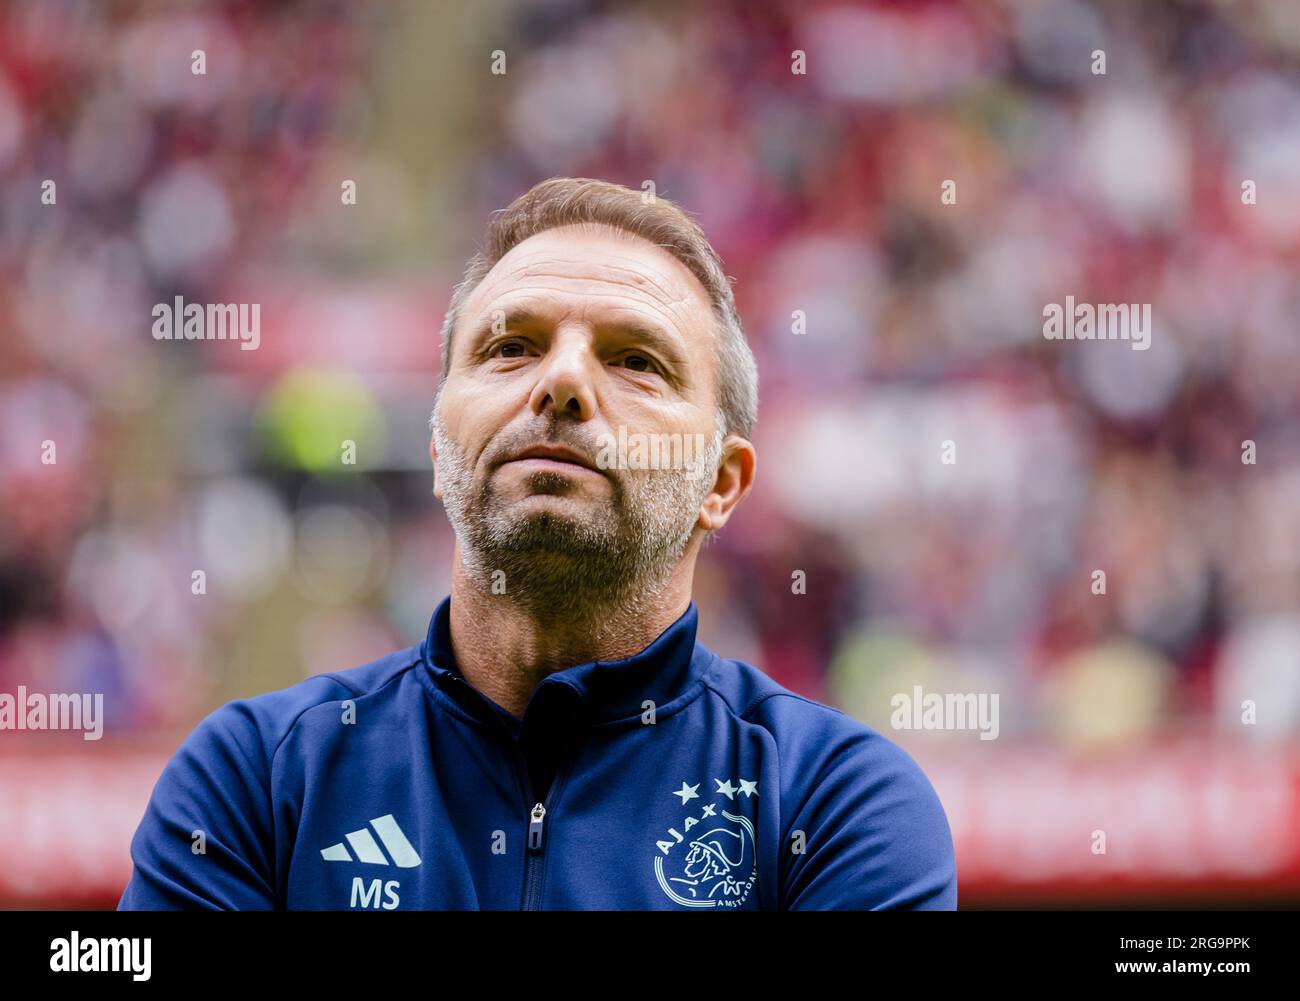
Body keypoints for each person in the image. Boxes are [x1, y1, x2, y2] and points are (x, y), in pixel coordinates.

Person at [118, 177, 957, 910]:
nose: (560, 381)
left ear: (722, 483)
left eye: (636, 360)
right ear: (438, 449)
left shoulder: (837, 804)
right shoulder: (254, 780)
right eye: (511, 347)